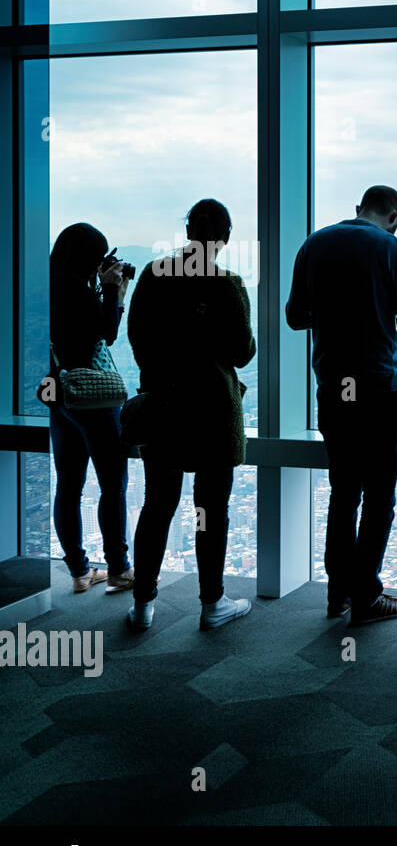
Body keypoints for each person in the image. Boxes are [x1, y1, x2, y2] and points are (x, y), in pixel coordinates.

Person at [286, 185, 397, 625]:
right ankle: (367, 596)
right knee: (380, 496)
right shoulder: (393, 248)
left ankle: (339, 594)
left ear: (358, 208)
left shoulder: (314, 245)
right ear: (395, 215)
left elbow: (295, 317)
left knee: (344, 493)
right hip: (381, 389)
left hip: (333, 389)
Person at [126, 199, 256, 631]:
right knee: (210, 509)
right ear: (225, 237)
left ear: (187, 231)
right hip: (212, 409)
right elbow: (242, 351)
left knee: (157, 505)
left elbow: (137, 338)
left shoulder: (153, 274)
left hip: (164, 404)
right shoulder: (227, 285)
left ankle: (143, 604)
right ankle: (211, 603)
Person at [47, 223, 133, 594]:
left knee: (69, 485)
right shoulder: (74, 290)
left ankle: (80, 572)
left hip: (58, 394)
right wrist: (113, 288)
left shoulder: (44, 286)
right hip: (92, 398)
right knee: (113, 483)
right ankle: (119, 568)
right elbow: (108, 332)